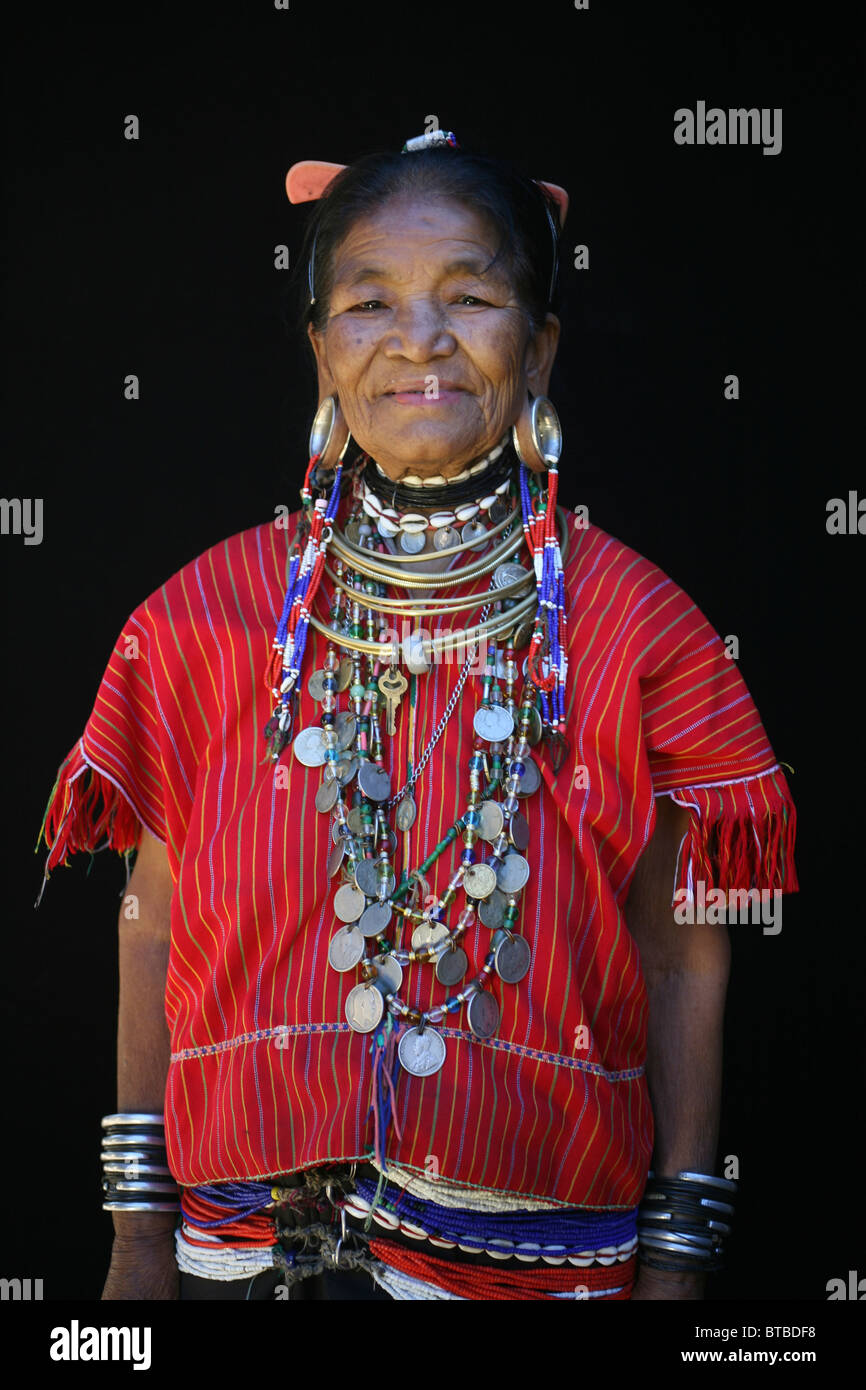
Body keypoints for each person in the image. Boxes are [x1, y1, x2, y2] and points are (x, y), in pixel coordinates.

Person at [36, 130, 798, 1302]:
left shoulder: (640, 631)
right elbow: (152, 924)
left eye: (470, 297)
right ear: (320, 351)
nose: (419, 339)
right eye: (367, 303)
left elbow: (681, 950)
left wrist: (677, 1259)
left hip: (539, 1263)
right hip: (248, 1258)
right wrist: (137, 1239)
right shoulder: (203, 619)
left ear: (538, 348)